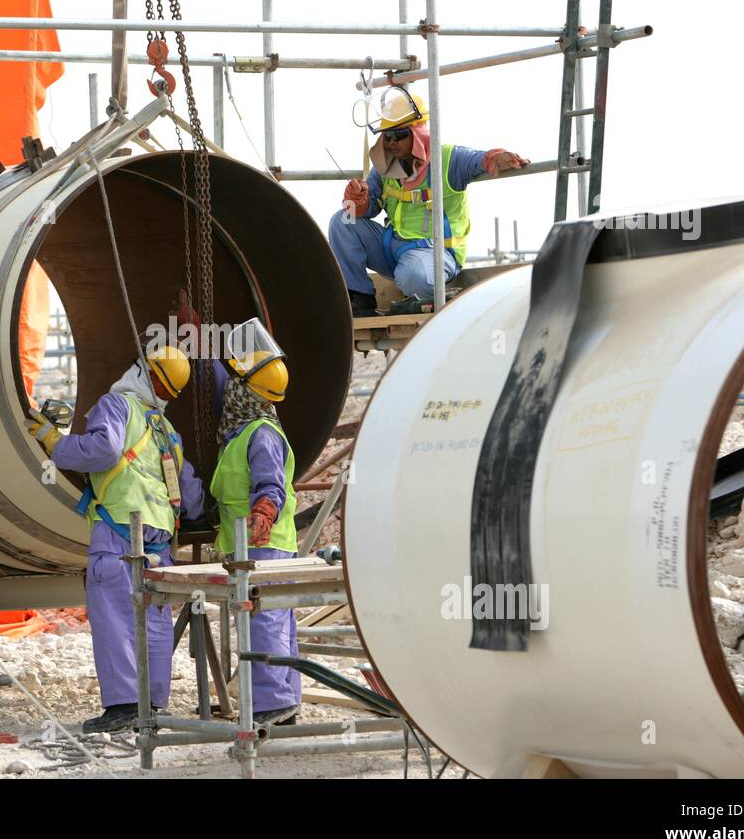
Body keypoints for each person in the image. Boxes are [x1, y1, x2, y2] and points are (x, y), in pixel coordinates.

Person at [27, 346, 206, 734]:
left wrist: (54, 443)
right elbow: (191, 496)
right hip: (159, 541)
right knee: (153, 618)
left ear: (141, 370)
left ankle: (125, 706)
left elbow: (103, 449)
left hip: (120, 531)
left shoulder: (118, 404)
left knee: (116, 618)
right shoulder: (166, 431)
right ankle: (152, 704)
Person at [328, 87, 529, 316]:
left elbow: (480, 160)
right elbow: (368, 207)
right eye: (388, 136)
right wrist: (357, 201)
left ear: (418, 132)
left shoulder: (448, 160)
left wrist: (498, 157)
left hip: (435, 257)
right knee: (342, 220)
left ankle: (424, 295)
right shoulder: (384, 170)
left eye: (400, 135)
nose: (392, 143)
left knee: (413, 275)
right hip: (393, 251)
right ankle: (360, 299)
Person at [209, 318, 301, 726]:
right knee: (274, 621)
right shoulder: (246, 427)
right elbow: (224, 380)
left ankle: (274, 704)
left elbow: (271, 485)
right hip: (255, 545)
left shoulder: (260, 435)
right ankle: (284, 702)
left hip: (265, 544)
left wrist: (263, 511)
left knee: (265, 623)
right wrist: (206, 349)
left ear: (243, 391)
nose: (229, 385)